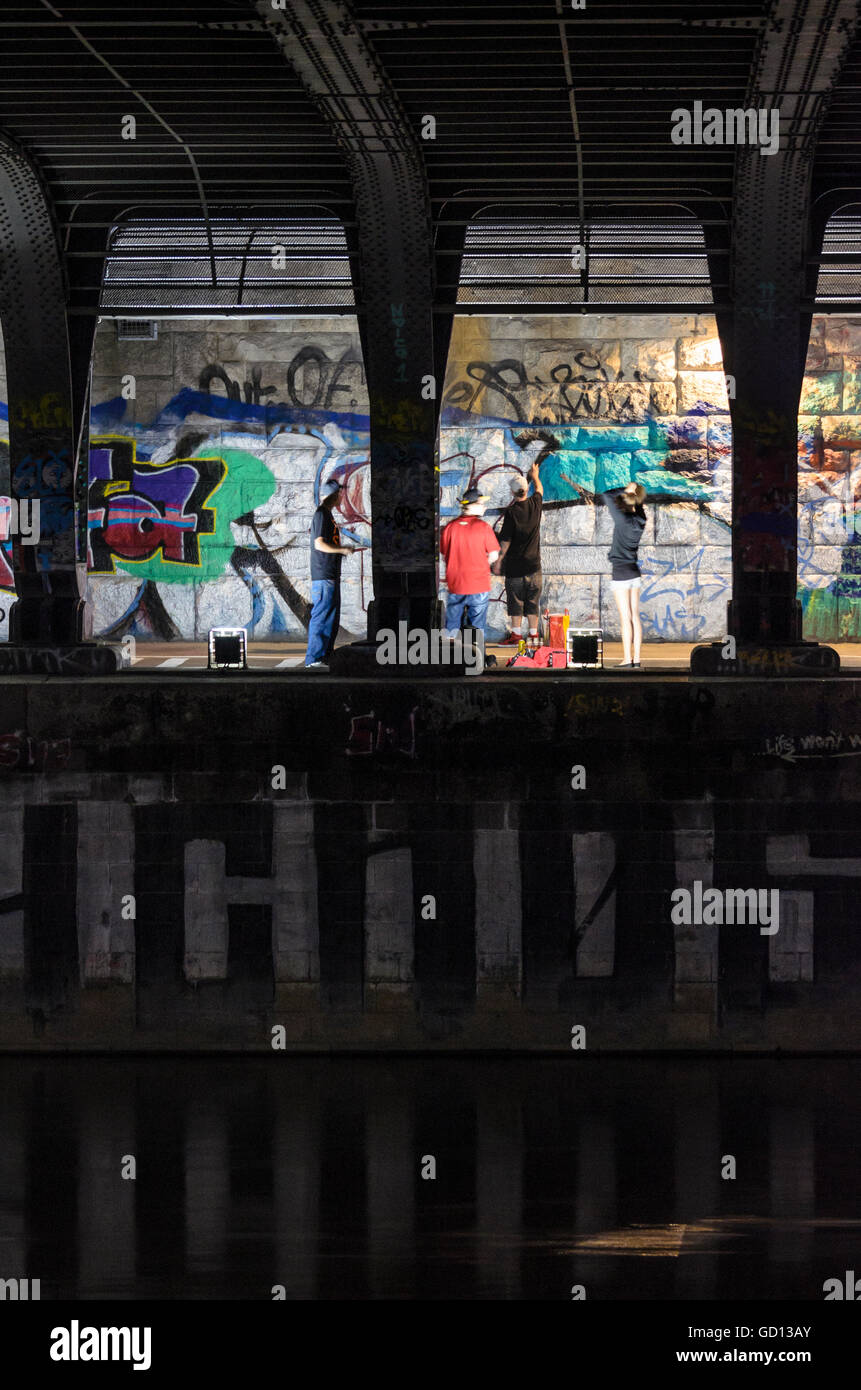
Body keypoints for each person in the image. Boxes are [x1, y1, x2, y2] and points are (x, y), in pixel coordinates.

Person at [304, 478, 356, 669]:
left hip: (330, 576)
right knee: (321, 617)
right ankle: (314, 659)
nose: (341, 498)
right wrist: (341, 550)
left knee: (330, 619)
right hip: (324, 576)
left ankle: (325, 656)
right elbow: (319, 544)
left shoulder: (327, 515)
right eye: (339, 494)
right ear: (334, 495)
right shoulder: (321, 515)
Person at [439, 485, 499, 637]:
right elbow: (494, 555)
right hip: (478, 584)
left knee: (452, 625)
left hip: (456, 584)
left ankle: (449, 657)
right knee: (477, 628)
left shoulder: (450, 528)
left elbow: (444, 552)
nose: (484, 507)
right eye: (481, 503)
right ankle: (474, 657)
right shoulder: (483, 527)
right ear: (472, 505)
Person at [495, 460, 544, 645]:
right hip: (534, 566)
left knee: (515, 601)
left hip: (516, 568)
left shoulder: (512, 512)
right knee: (533, 602)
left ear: (513, 492)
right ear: (525, 490)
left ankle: (516, 635)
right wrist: (536, 476)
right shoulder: (535, 504)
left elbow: (506, 540)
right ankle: (533, 636)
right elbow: (539, 490)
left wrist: (499, 560)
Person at [603, 480, 647, 669]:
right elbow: (639, 504)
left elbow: (606, 495)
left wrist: (625, 489)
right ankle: (636, 659)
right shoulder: (641, 520)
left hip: (620, 573)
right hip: (634, 572)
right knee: (635, 616)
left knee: (624, 618)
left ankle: (627, 659)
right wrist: (634, 493)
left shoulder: (622, 520)